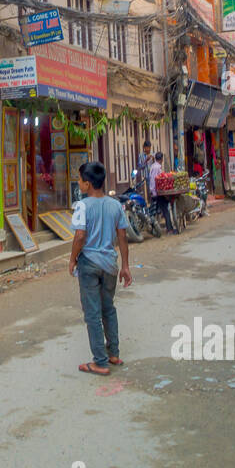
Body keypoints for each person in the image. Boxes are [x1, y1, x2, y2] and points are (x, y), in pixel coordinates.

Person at [69, 161, 132, 376]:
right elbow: (122, 237)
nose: (79, 184)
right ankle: (113, 353)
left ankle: (100, 362)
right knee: (108, 308)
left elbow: (79, 236)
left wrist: (72, 259)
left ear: (87, 184)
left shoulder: (82, 206)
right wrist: (125, 266)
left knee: (92, 314)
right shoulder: (115, 205)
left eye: (79, 180)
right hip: (110, 265)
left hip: (89, 264)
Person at [148, 150, 177, 234]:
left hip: (156, 192)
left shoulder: (154, 166)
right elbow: (154, 180)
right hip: (157, 193)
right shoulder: (157, 167)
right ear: (161, 159)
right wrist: (154, 192)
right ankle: (169, 229)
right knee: (165, 210)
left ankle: (155, 229)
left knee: (155, 211)